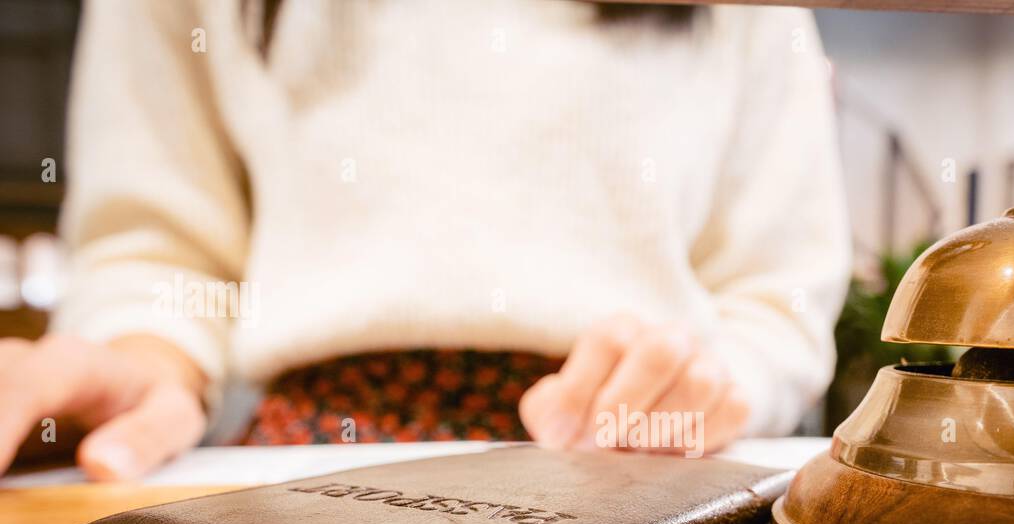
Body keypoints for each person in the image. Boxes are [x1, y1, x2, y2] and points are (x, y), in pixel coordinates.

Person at [0, 0, 850, 479]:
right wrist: (149, 361)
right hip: (296, 470)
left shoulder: (753, 22)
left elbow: (774, 291)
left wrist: (708, 385)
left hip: (634, 462)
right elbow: (158, 251)